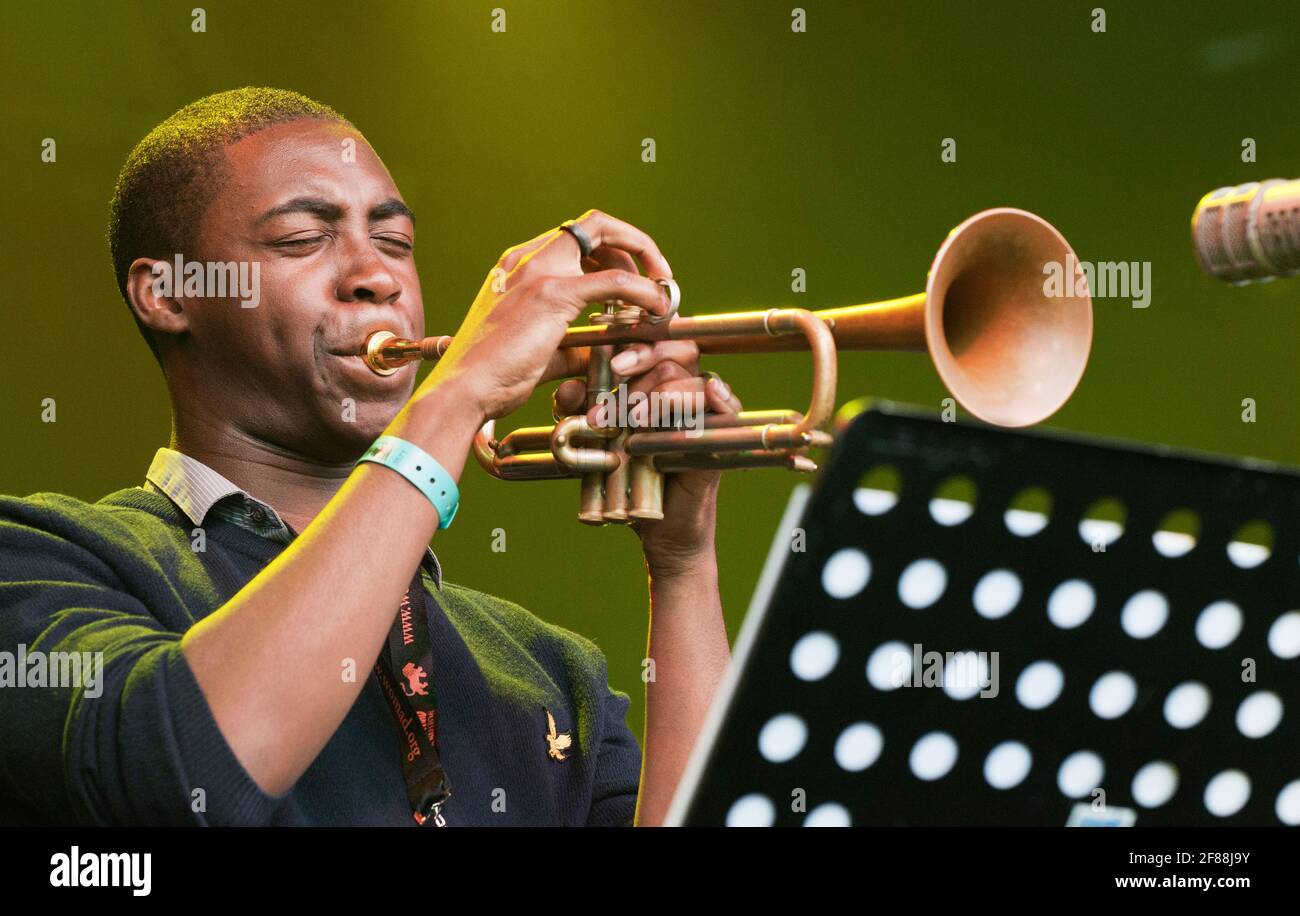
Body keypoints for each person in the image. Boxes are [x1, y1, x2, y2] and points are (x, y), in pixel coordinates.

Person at [0, 87, 740, 826]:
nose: (376, 276)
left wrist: (682, 567)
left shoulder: (550, 668)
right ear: (167, 294)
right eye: (302, 239)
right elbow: (192, 773)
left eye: (395, 244)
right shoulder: (45, 562)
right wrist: (457, 398)